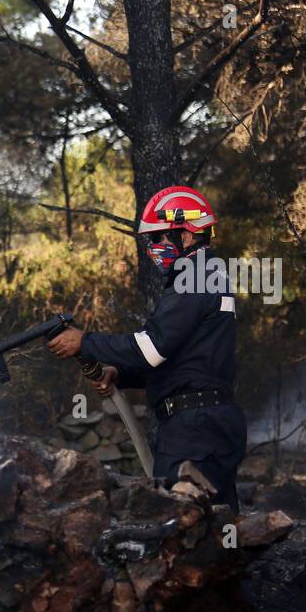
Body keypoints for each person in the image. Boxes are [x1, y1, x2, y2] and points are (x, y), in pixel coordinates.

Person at [46, 185, 247, 513]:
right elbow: (184, 361)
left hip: (194, 431)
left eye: (157, 239)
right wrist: (121, 374)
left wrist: (85, 342)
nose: (153, 249)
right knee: (216, 530)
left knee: (181, 526)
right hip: (206, 424)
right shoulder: (206, 275)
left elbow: (151, 347)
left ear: (185, 235)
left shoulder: (194, 277)